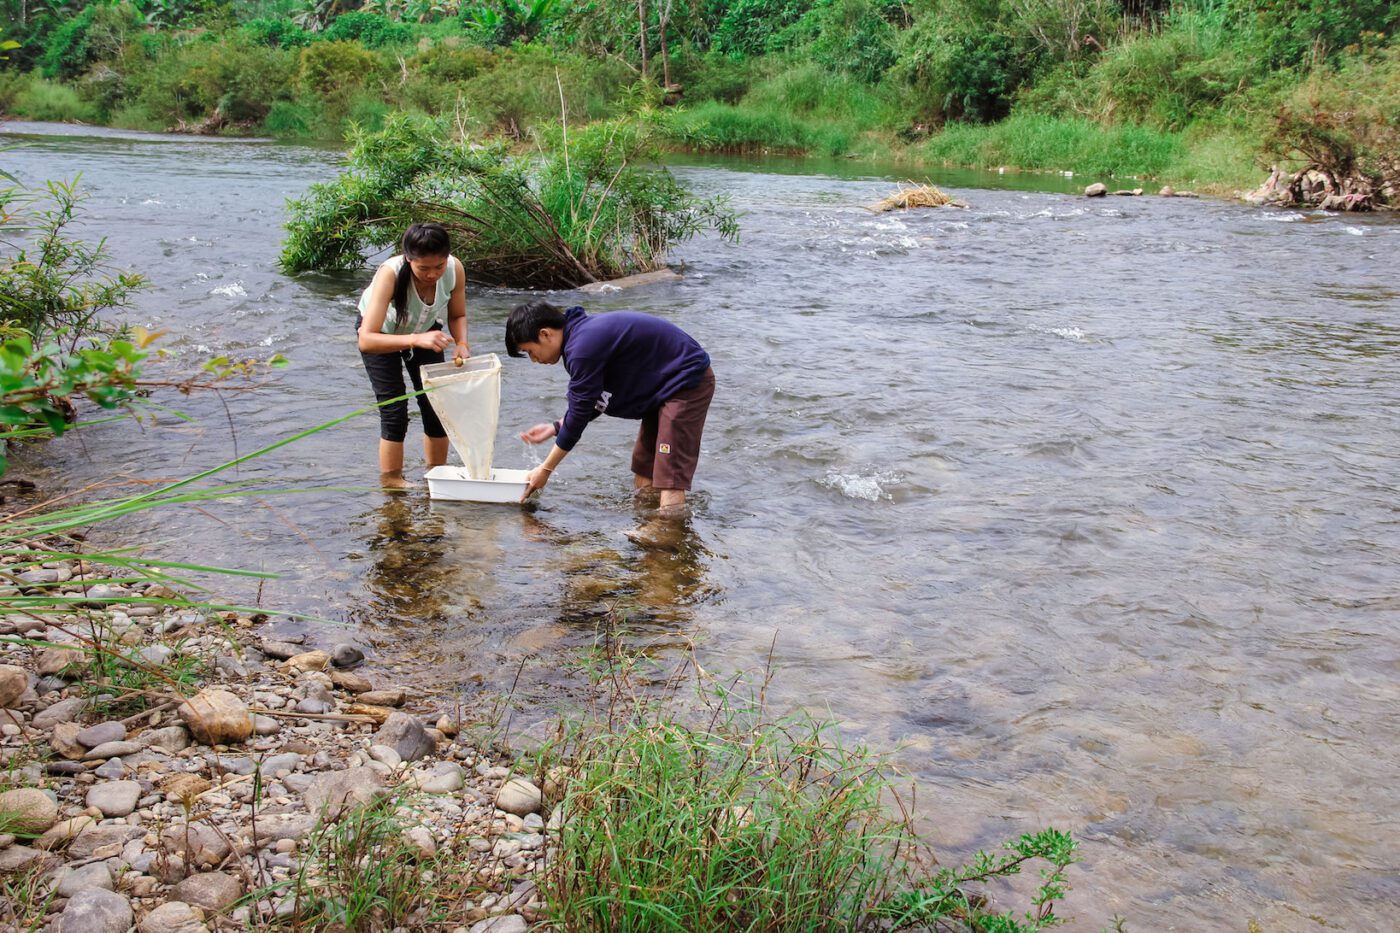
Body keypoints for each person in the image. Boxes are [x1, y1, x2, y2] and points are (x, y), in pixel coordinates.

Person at [506, 300, 715, 512]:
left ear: (544, 334)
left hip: (686, 382)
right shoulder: (578, 340)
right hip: (661, 388)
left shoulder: (581, 348)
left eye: (530, 351)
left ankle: (666, 536)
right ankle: (647, 519)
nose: (533, 360)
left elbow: (579, 416)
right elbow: (591, 400)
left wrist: (545, 469)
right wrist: (556, 427)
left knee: (669, 470)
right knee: (645, 463)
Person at [356, 222, 470, 489]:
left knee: (436, 408)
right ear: (409, 259)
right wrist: (416, 339)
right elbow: (366, 340)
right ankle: (393, 483)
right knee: (394, 410)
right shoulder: (391, 274)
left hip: (426, 332)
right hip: (382, 336)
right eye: (423, 268)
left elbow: (458, 314)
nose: (432, 275)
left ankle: (436, 475)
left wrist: (462, 342)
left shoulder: (455, 269)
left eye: (438, 267)